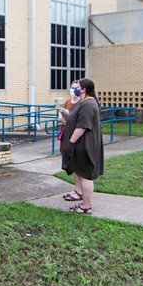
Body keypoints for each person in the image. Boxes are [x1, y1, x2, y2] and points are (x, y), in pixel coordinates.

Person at [62, 78, 104, 214]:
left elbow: (82, 126)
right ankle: (84, 204)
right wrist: (62, 111)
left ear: (84, 89)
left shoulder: (88, 104)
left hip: (83, 145)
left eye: (78, 87)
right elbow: (73, 119)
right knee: (80, 173)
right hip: (80, 144)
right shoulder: (84, 102)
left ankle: (86, 206)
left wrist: (71, 142)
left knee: (85, 175)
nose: (75, 88)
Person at [59, 80, 84, 202]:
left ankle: (81, 191)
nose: (73, 90)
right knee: (71, 163)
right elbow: (61, 118)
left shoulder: (82, 103)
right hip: (65, 133)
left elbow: (77, 120)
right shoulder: (68, 102)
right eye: (72, 87)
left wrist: (67, 115)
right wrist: (62, 113)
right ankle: (77, 189)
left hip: (75, 136)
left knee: (77, 163)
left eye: (76, 87)